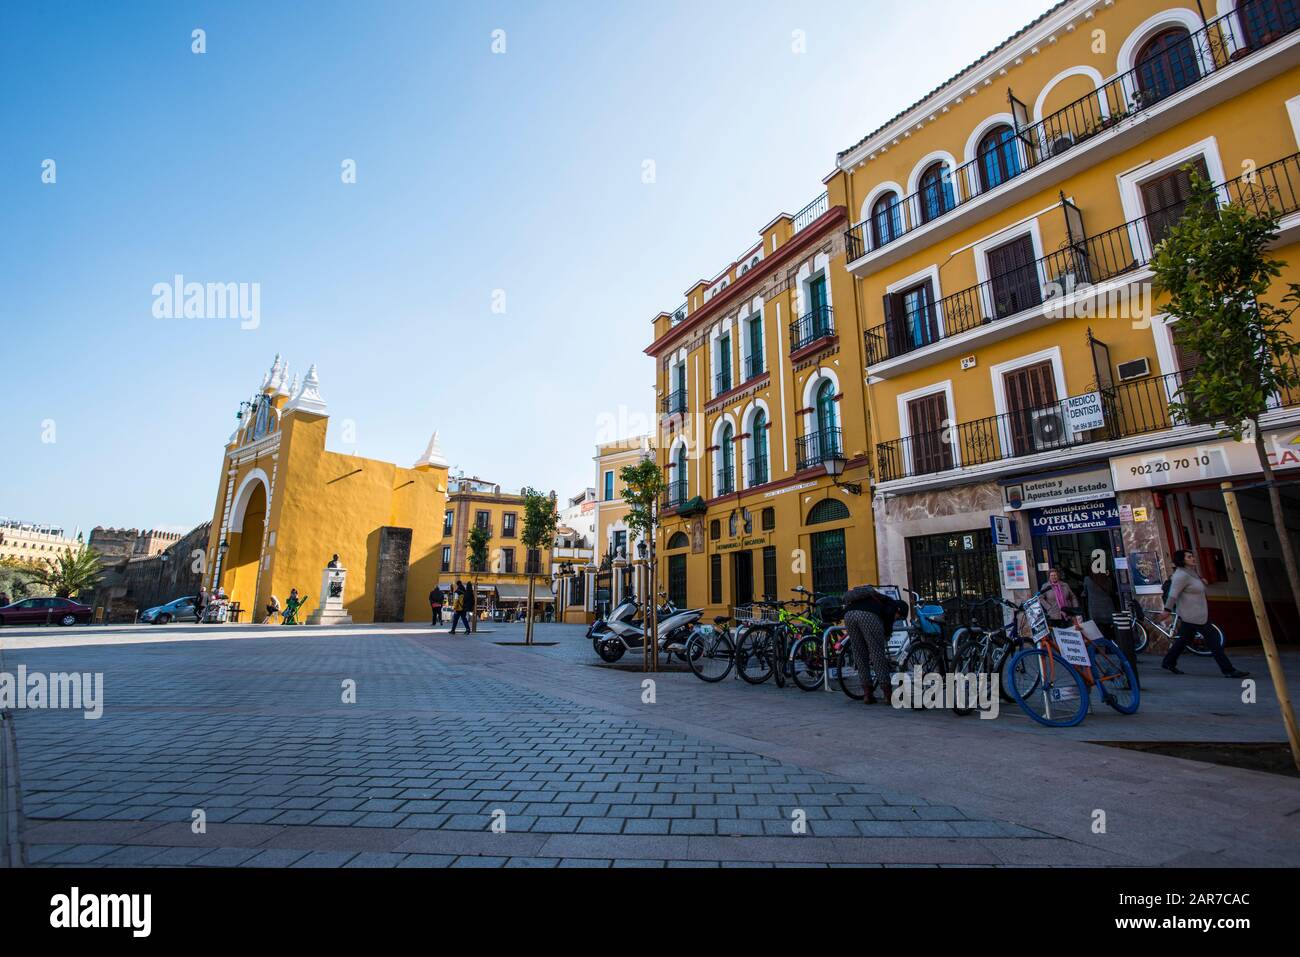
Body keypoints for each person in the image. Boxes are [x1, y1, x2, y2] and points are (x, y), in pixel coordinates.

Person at [1159, 549, 1248, 678]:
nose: (1193, 558)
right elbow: (1173, 595)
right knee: (1213, 641)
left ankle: (1168, 662)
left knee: (1183, 640)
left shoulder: (1190, 573)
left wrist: (1202, 582)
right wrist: (1167, 610)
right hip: (1192, 615)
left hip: (1198, 614)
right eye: (1189, 557)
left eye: (1192, 556)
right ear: (1182, 560)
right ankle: (1228, 670)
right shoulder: (1180, 575)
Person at [842, 584, 906, 705]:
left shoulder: (877, 599)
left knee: (859, 654)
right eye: (899, 617)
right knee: (877, 655)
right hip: (867, 616)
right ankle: (887, 694)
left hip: (848, 615)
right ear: (899, 610)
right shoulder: (891, 604)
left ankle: (867, 694)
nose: (897, 619)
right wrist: (887, 634)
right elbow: (888, 625)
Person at [1083, 571, 1118, 643]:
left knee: (1097, 630)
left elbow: (1085, 592)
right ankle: (1110, 646)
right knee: (1108, 629)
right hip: (1108, 607)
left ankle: (1101, 647)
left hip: (1095, 609)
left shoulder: (1087, 579)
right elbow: (1112, 591)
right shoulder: (1107, 579)